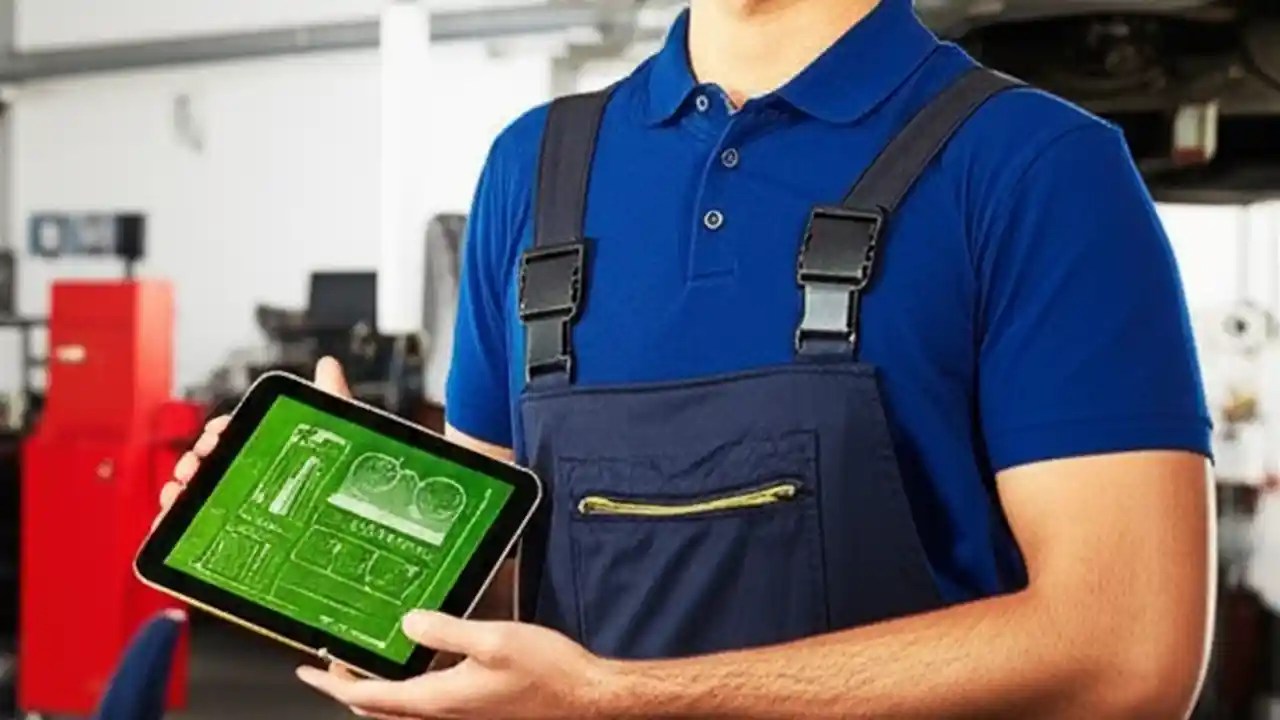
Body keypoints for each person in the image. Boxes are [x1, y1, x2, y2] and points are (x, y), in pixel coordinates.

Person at [161, 0, 1215, 717]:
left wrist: (618, 701)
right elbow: (477, 617)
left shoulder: (1033, 166)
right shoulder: (534, 165)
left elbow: (1127, 649)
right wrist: (335, 554)